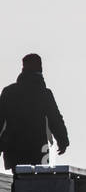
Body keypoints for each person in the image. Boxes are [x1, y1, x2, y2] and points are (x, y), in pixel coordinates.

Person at [0, 53, 69, 184]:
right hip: (38, 147)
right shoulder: (44, 93)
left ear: (23, 68)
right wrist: (63, 140)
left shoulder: (9, 91)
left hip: (13, 145)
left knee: (19, 181)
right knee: (38, 184)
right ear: (40, 69)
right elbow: (55, 119)